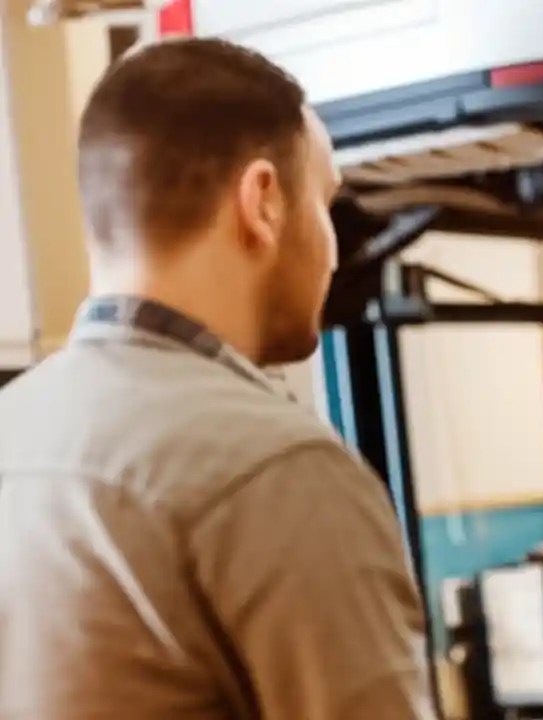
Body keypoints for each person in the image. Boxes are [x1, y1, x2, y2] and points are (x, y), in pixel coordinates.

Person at [0, 39, 432, 719]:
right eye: (325, 204)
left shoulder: (15, 430)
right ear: (263, 201)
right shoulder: (276, 469)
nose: (332, 250)